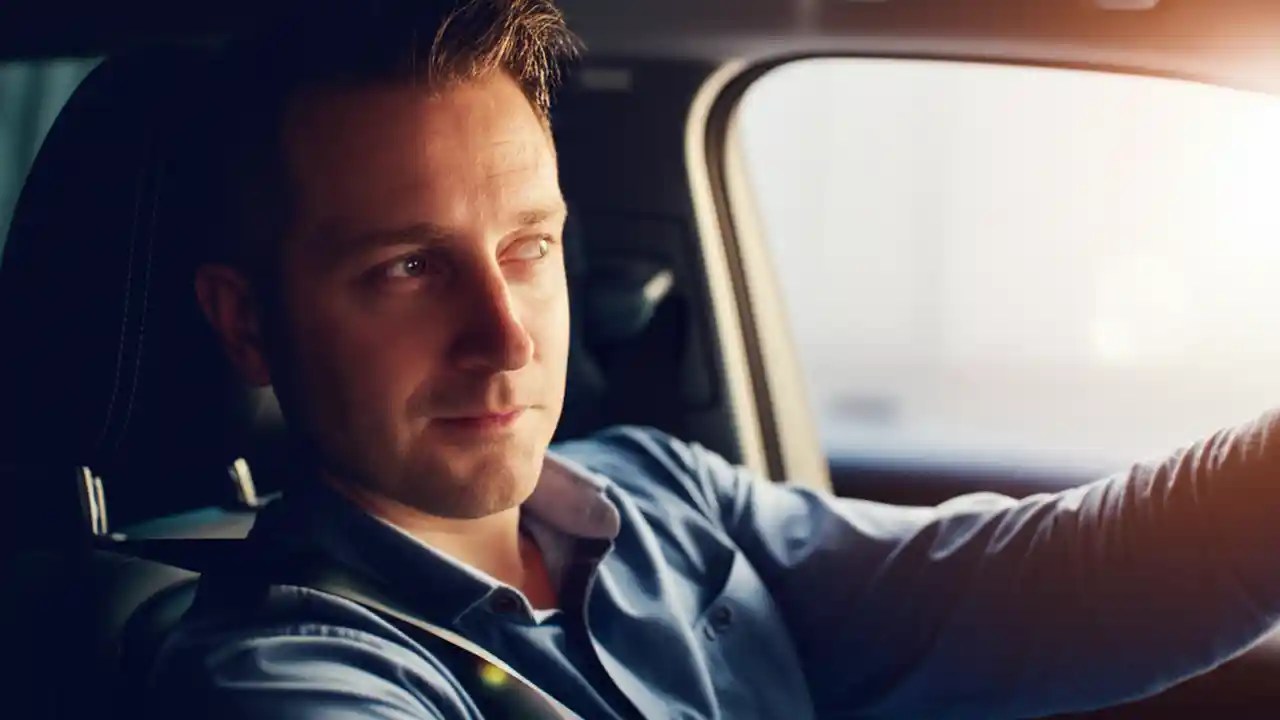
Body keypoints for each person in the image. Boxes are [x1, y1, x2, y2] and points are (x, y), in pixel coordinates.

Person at [143, 1, 1280, 718]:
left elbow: (1047, 587)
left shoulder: (659, 491)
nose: (508, 334)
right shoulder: (283, 674)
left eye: (527, 248)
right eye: (407, 268)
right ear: (246, 323)